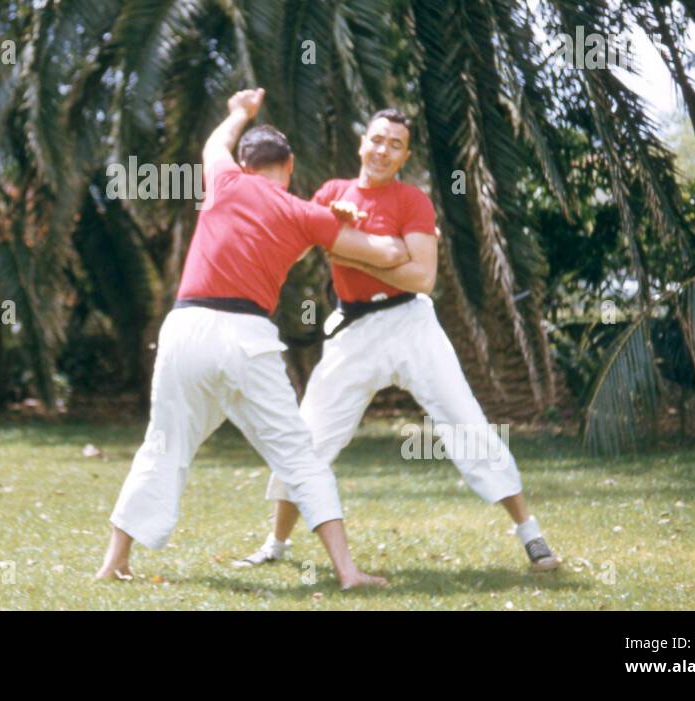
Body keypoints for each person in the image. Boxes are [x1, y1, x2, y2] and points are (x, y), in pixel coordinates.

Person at [96, 89, 411, 589]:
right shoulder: (304, 214)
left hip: (185, 330)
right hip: (245, 336)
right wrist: (401, 240)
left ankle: (114, 561)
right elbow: (382, 255)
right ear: (288, 166)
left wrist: (239, 112)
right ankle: (348, 571)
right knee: (297, 454)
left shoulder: (223, 179)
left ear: (245, 164)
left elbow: (214, 142)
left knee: (162, 445)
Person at [233, 109, 561, 573]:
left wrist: (348, 248)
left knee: (465, 420)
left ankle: (530, 532)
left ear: (405, 156)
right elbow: (301, 243)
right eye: (377, 140)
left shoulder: (413, 201)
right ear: (362, 143)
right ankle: (276, 543)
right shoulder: (331, 194)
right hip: (352, 330)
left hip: (411, 325)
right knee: (307, 436)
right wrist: (379, 251)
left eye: (395, 145)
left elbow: (422, 277)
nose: (383, 150)